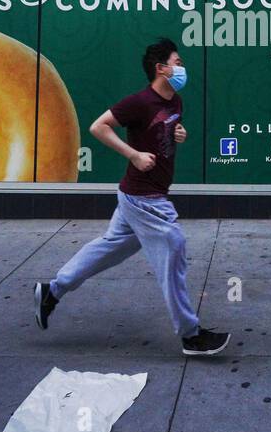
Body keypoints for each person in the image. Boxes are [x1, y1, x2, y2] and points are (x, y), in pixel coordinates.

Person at [34, 37, 230, 356]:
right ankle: (190, 335)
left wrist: (179, 133)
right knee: (174, 249)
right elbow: (99, 127)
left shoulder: (175, 102)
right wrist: (134, 154)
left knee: (108, 248)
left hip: (137, 196)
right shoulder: (140, 102)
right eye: (177, 62)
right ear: (161, 68)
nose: (182, 68)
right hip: (144, 197)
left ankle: (51, 292)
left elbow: (166, 132)